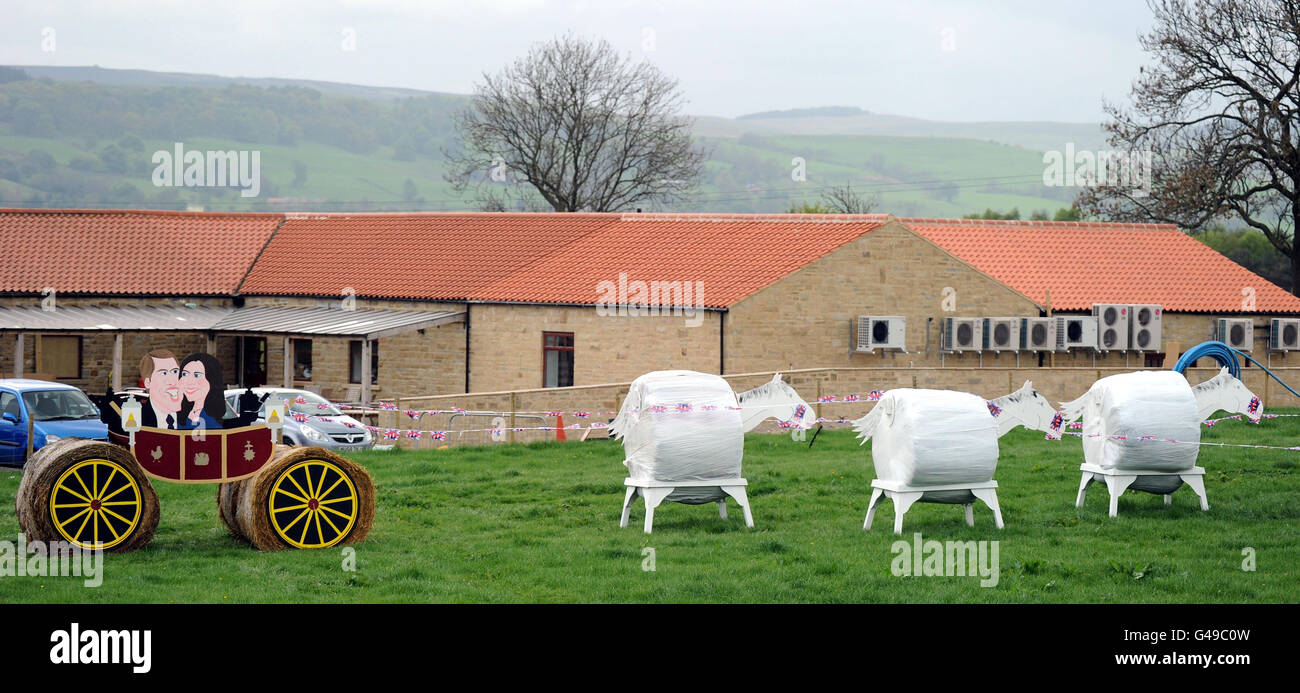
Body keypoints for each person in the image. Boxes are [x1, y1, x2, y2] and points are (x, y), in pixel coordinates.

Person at [178, 352, 225, 430]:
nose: (189, 381)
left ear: (212, 381)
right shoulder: (178, 414)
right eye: (185, 374)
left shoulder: (211, 419)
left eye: (197, 375)